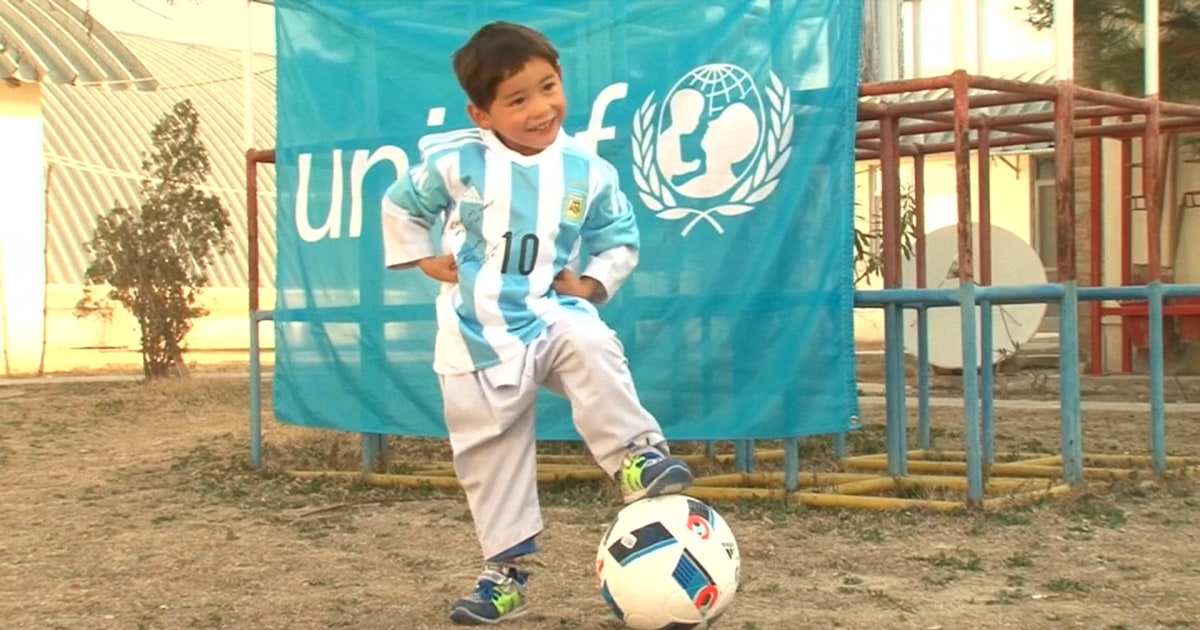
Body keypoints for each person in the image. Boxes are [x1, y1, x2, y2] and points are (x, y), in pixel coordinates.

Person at [380, 20, 695, 626]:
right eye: (516, 100)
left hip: (549, 316)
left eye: (547, 87)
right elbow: (401, 203)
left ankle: (636, 456)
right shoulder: (457, 163)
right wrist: (423, 258)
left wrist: (592, 282)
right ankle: (505, 576)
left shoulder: (586, 169)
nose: (539, 108)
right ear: (482, 112)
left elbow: (619, 236)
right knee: (488, 459)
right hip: (475, 335)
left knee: (589, 339)